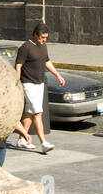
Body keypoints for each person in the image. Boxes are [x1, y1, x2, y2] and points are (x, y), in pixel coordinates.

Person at [12, 21, 64, 154]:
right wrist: (17, 84)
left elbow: (47, 61)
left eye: (46, 38)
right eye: (42, 38)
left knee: (29, 112)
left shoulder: (43, 46)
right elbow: (18, 66)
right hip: (28, 83)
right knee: (37, 112)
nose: (44, 40)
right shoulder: (25, 47)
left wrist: (57, 75)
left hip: (39, 82)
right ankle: (43, 142)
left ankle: (22, 140)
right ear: (35, 35)